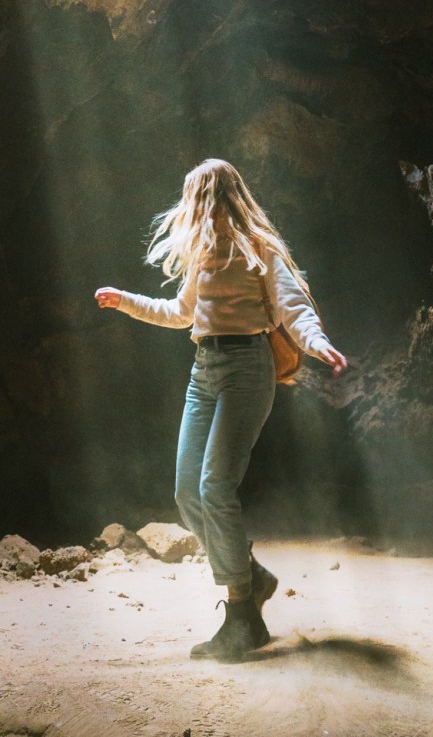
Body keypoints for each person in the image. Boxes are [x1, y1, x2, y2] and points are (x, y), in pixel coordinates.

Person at [95, 157, 348, 661]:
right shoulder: (203, 255)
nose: (192, 206)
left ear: (218, 196)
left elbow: (292, 305)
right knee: (188, 491)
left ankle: (242, 618)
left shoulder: (258, 248)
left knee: (215, 485)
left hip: (246, 368)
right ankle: (251, 578)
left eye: (198, 195)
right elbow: (180, 313)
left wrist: (317, 343)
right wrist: (124, 300)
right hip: (203, 372)